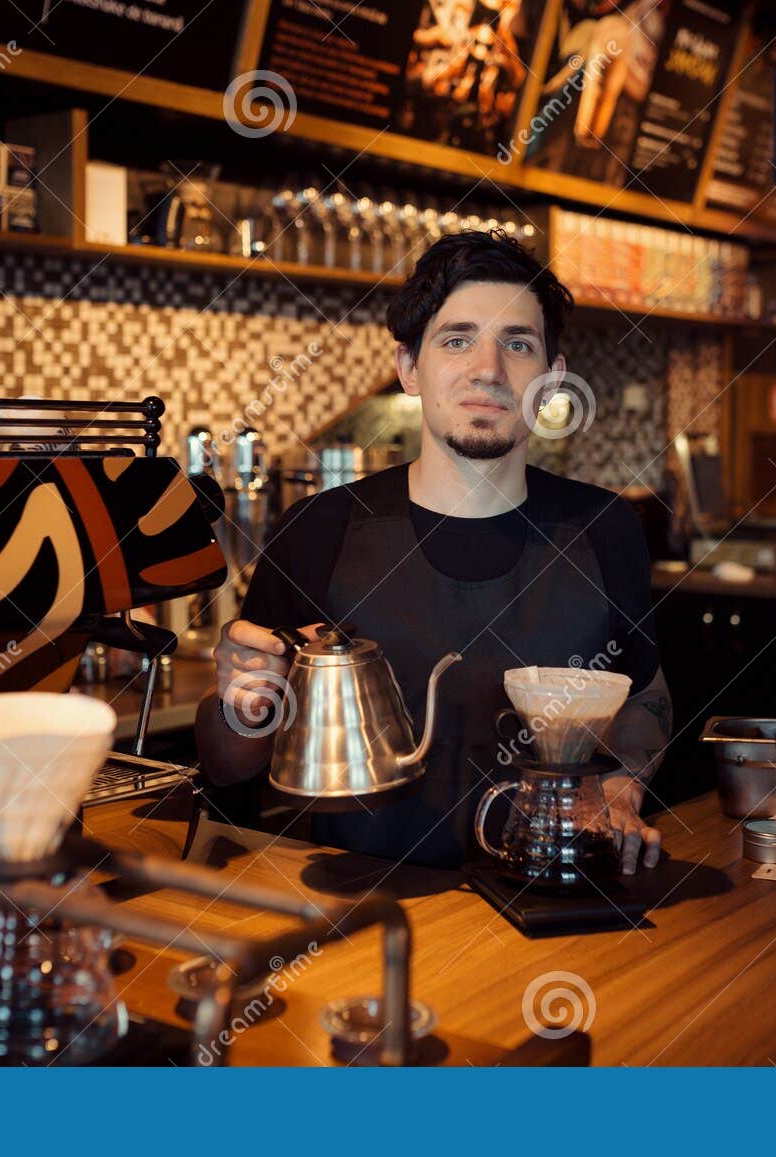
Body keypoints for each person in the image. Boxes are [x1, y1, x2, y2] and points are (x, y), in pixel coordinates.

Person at [195, 230, 672, 875]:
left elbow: (644, 695)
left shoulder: (604, 527)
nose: (488, 370)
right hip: (359, 914)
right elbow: (227, 768)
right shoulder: (319, 529)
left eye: (518, 344)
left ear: (552, 377)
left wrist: (623, 781)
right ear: (409, 368)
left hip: (551, 898)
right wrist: (242, 706)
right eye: (457, 339)